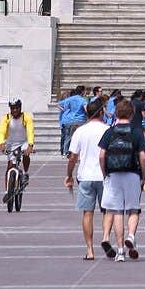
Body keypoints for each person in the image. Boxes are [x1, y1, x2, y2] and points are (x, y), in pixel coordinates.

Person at [98, 98, 145, 262]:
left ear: (117, 113)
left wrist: (105, 173)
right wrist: (143, 175)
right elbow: (142, 155)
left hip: (113, 174)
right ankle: (131, 236)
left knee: (117, 211)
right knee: (133, 209)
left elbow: (102, 155)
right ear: (132, 114)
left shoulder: (109, 132)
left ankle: (120, 251)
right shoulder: (136, 132)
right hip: (132, 173)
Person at [65, 99, 108, 260]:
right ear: (102, 113)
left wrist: (68, 175)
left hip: (85, 176)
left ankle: (90, 250)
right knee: (107, 211)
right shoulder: (108, 129)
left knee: (87, 213)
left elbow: (73, 157)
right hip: (104, 176)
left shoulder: (80, 131)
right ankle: (105, 238)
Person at [0, 100, 35, 201]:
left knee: (26, 155)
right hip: (11, 143)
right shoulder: (7, 118)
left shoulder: (26, 117)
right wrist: (1, 144)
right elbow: (1, 131)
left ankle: (26, 173)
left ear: (20, 108)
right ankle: (7, 191)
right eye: (12, 108)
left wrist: (30, 145)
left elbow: (30, 131)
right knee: (10, 167)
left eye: (16, 108)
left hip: (23, 142)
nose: (15, 110)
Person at [58, 85, 87, 156]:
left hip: (71, 120)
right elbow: (86, 109)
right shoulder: (83, 100)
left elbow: (59, 104)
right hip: (80, 120)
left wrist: (64, 110)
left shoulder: (70, 99)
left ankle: (66, 152)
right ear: (82, 91)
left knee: (69, 137)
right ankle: (78, 152)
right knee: (80, 137)